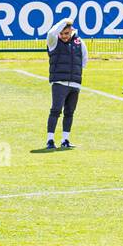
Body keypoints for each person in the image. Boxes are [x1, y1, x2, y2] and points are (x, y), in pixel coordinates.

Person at [45, 16, 87, 150]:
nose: (64, 36)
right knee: (56, 110)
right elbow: (51, 33)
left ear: (71, 31)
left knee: (70, 112)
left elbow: (84, 59)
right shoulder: (53, 42)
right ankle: (50, 140)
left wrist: (76, 74)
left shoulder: (80, 42)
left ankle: (65, 139)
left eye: (66, 33)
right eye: (62, 33)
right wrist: (64, 21)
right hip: (59, 83)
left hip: (75, 83)